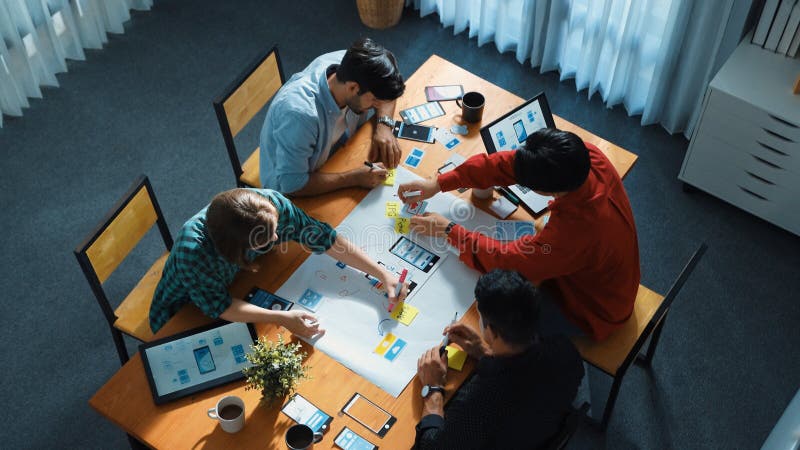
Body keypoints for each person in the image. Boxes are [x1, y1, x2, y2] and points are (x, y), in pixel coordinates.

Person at [398, 128, 640, 341]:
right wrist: (439, 183)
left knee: (496, 316)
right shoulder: (585, 156)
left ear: (545, 190)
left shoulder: (575, 231)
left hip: (595, 310)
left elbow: (508, 261)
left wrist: (448, 230)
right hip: (609, 274)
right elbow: (505, 165)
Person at [149, 188, 405, 336]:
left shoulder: (269, 206)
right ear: (236, 250)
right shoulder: (193, 254)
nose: (276, 237)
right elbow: (221, 306)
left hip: (241, 280)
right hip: (185, 310)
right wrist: (280, 317)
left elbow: (323, 239)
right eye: (264, 241)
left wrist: (381, 273)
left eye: (273, 229)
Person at [414, 269, 584, 449]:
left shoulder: (481, 403)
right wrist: (484, 351)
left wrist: (433, 389)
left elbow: (432, 446)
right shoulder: (565, 351)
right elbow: (525, 370)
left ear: (492, 331)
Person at [259, 37, 405, 196]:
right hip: (293, 187)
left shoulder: (354, 66)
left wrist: (384, 126)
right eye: (374, 100)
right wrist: (353, 178)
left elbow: (388, 92)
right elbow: (292, 184)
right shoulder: (300, 115)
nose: (378, 105)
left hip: (338, 151)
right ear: (353, 88)